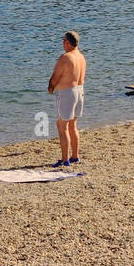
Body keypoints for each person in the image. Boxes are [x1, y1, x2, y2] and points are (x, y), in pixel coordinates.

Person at [48, 31, 86, 166]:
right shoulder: (81, 56)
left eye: (63, 40)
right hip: (80, 90)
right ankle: (75, 156)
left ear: (67, 42)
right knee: (73, 124)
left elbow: (55, 76)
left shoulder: (65, 57)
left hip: (67, 93)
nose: (63, 43)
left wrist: (51, 88)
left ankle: (65, 159)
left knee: (61, 125)